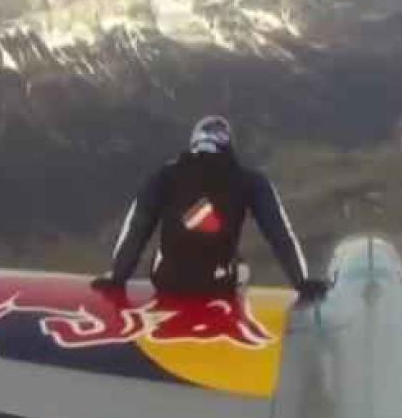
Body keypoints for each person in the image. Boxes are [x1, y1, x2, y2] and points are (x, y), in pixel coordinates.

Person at [91, 116, 329, 305]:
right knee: (241, 267)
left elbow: (137, 227)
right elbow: (279, 233)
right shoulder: (250, 180)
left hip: (167, 280)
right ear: (227, 144)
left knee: (164, 257)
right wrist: (301, 282)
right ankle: (231, 314)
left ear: (194, 142)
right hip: (218, 284)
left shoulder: (165, 175)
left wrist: (117, 277)